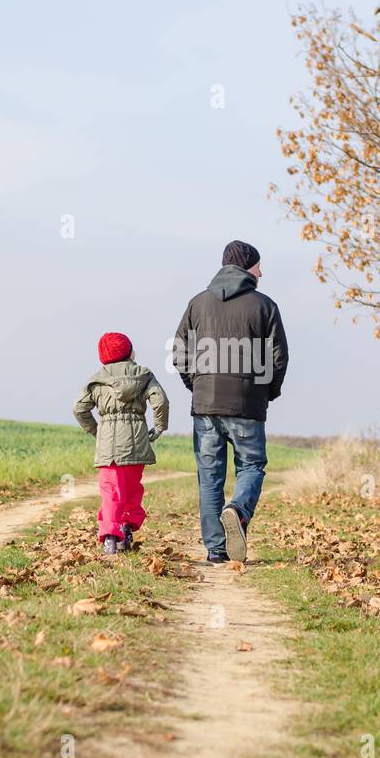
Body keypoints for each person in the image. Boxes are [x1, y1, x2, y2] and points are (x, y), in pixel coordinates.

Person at [174, 240, 288, 564]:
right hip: (247, 403)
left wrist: (196, 384)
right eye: (258, 266)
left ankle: (216, 550)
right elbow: (279, 356)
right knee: (251, 466)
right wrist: (266, 392)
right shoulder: (265, 306)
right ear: (247, 266)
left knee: (209, 477)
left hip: (205, 405)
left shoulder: (197, 303)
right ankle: (238, 510)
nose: (261, 273)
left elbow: (179, 351)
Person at [73, 332, 169, 556]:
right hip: (137, 442)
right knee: (133, 488)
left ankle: (110, 538)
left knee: (111, 491)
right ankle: (126, 529)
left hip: (108, 446)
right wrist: (159, 426)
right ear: (130, 353)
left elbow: (79, 409)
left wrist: (96, 430)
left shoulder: (96, 379)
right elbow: (161, 401)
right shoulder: (144, 375)